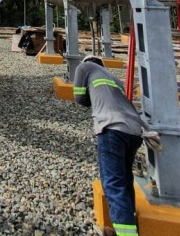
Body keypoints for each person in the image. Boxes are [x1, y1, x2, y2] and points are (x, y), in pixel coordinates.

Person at [74, 55, 143, 236]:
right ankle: (128, 223)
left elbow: (80, 97)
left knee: (113, 183)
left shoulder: (84, 68)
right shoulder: (115, 79)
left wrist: (89, 95)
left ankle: (126, 234)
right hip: (135, 131)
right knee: (126, 180)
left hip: (111, 128)